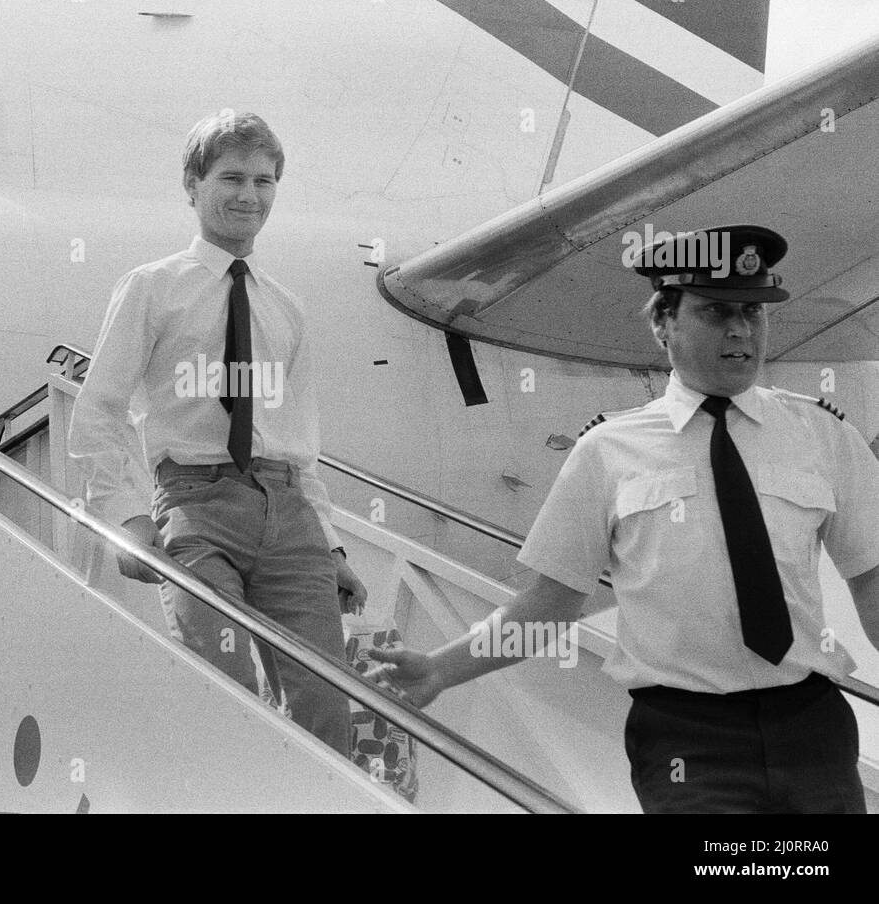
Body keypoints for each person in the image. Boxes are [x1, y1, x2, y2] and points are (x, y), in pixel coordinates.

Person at [369, 225, 879, 812]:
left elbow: (870, 576)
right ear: (664, 324)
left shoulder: (822, 433)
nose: (740, 329)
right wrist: (442, 667)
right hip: (687, 736)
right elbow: (550, 602)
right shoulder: (607, 451)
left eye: (753, 312)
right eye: (716, 312)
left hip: (811, 723)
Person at [68, 110, 367, 756]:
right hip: (198, 508)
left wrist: (334, 548)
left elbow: (298, 442)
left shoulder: (286, 308)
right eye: (231, 177)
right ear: (193, 184)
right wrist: (122, 514)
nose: (248, 195)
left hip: (289, 516)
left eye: (264, 181)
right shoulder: (153, 288)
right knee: (220, 693)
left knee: (325, 710)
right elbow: (100, 409)